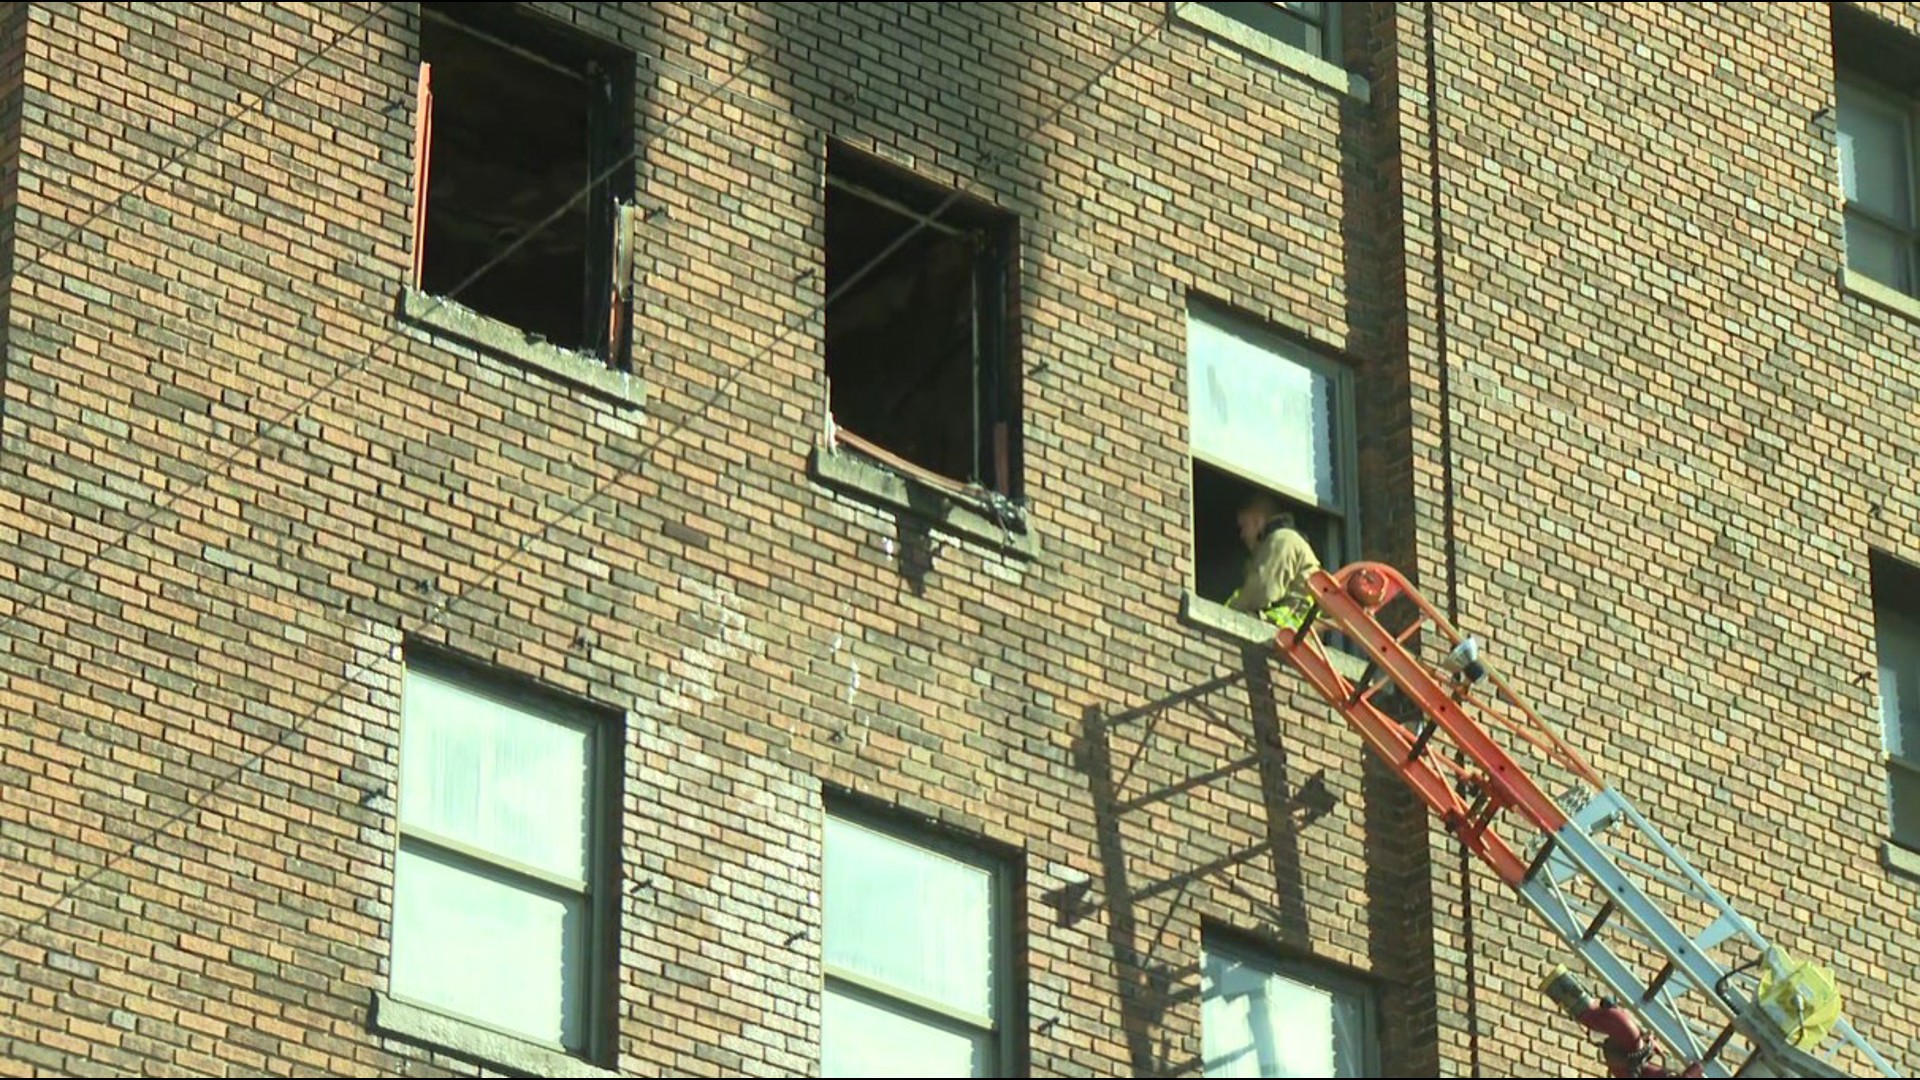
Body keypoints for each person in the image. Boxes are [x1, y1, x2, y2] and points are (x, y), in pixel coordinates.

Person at [1226, 491, 1322, 630]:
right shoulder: (1285, 541)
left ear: (1257, 520)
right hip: (1295, 631)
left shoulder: (1281, 540)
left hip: (1288, 628)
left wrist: (1227, 613)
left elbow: (1261, 591)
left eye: (1243, 526)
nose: (1242, 535)